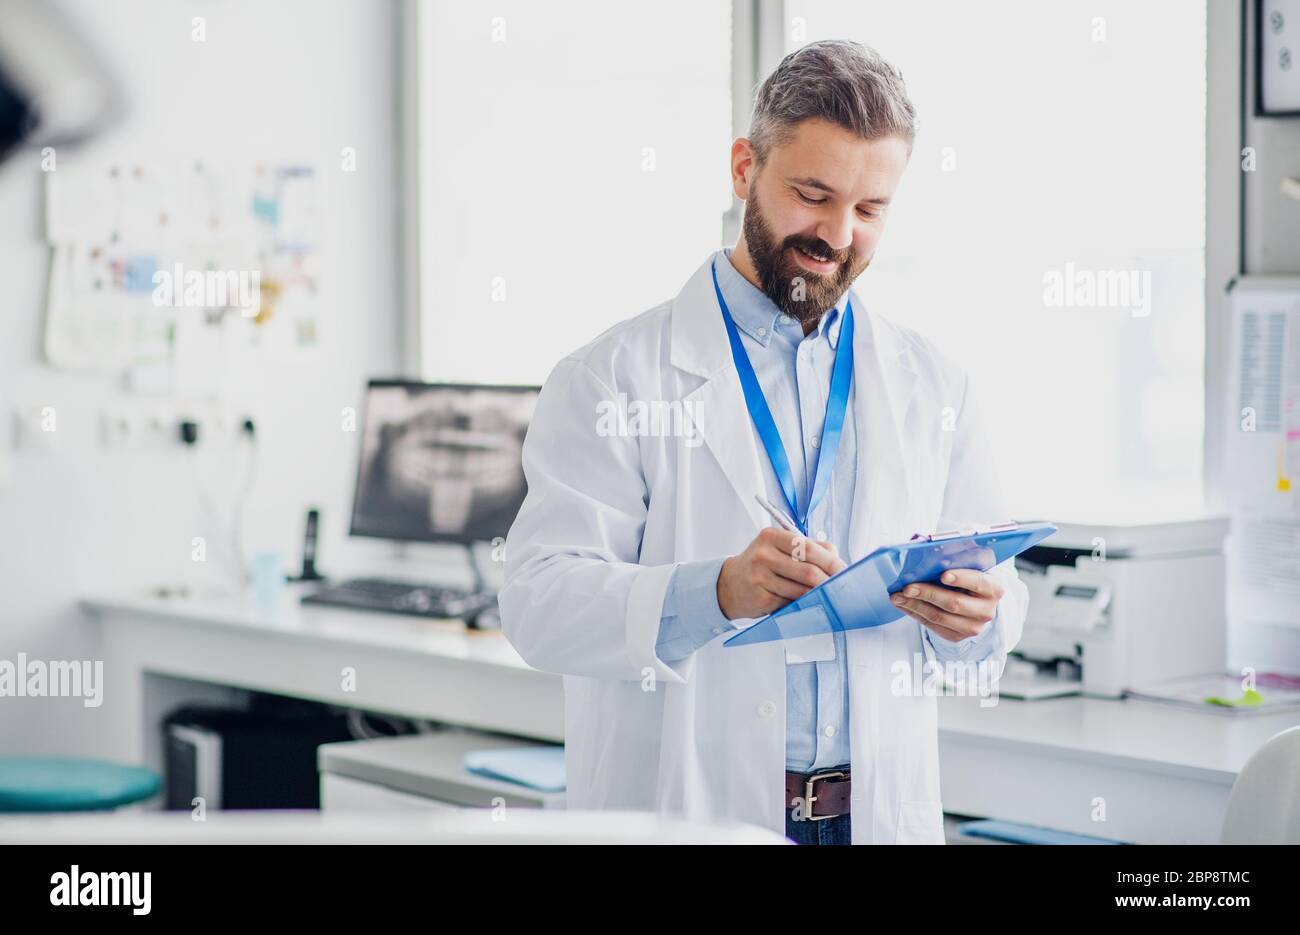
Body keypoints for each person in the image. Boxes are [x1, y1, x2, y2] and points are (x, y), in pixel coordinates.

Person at [499, 40, 1027, 845]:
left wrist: (977, 614)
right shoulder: (613, 376)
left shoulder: (933, 384)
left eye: (870, 209)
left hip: (874, 814)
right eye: (812, 194)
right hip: (697, 812)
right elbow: (538, 605)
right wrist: (716, 591)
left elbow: (998, 600)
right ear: (745, 166)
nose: (838, 234)